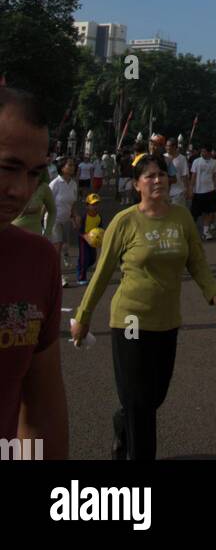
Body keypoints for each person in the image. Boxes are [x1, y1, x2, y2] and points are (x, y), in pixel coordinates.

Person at [71, 153, 216, 461]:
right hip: (130, 319)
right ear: (136, 184)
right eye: (149, 176)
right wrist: (83, 316)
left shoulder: (181, 218)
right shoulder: (125, 221)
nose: (158, 180)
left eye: (162, 174)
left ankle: (123, 423)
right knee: (140, 400)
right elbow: (102, 272)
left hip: (166, 321)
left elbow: (197, 261)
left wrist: (215, 295)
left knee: (154, 395)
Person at [0, 85, 69, 457]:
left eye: (34, 174)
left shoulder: (38, 261)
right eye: (7, 167)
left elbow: (41, 414)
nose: (19, 190)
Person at [50, 156, 80, 285]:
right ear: (62, 168)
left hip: (66, 220)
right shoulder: (55, 184)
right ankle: (58, 278)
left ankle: (66, 255)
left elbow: (72, 204)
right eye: (70, 165)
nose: (72, 167)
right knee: (56, 250)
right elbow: (46, 203)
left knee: (64, 246)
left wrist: (75, 217)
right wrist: (41, 221)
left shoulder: (73, 184)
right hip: (54, 220)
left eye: (73, 165)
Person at [12, 167, 56, 239]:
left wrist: (47, 232)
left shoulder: (44, 188)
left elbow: (52, 211)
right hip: (12, 234)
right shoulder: (13, 185)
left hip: (34, 236)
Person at [190, 146, 216, 239]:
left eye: (205, 151)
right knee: (194, 214)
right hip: (198, 191)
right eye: (202, 151)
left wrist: (214, 188)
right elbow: (193, 176)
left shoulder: (214, 162)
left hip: (209, 191)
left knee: (208, 212)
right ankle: (191, 232)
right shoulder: (196, 161)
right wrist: (191, 189)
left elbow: (215, 176)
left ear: (210, 152)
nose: (203, 153)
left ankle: (206, 232)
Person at [77, 192, 103, 285]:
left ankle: (81, 266)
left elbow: (100, 229)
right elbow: (80, 230)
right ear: (87, 206)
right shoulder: (84, 217)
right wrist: (86, 237)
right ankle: (81, 277)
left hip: (93, 241)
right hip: (84, 240)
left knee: (92, 259)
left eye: (97, 204)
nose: (95, 207)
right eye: (93, 205)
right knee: (84, 259)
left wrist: (100, 238)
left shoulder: (99, 217)